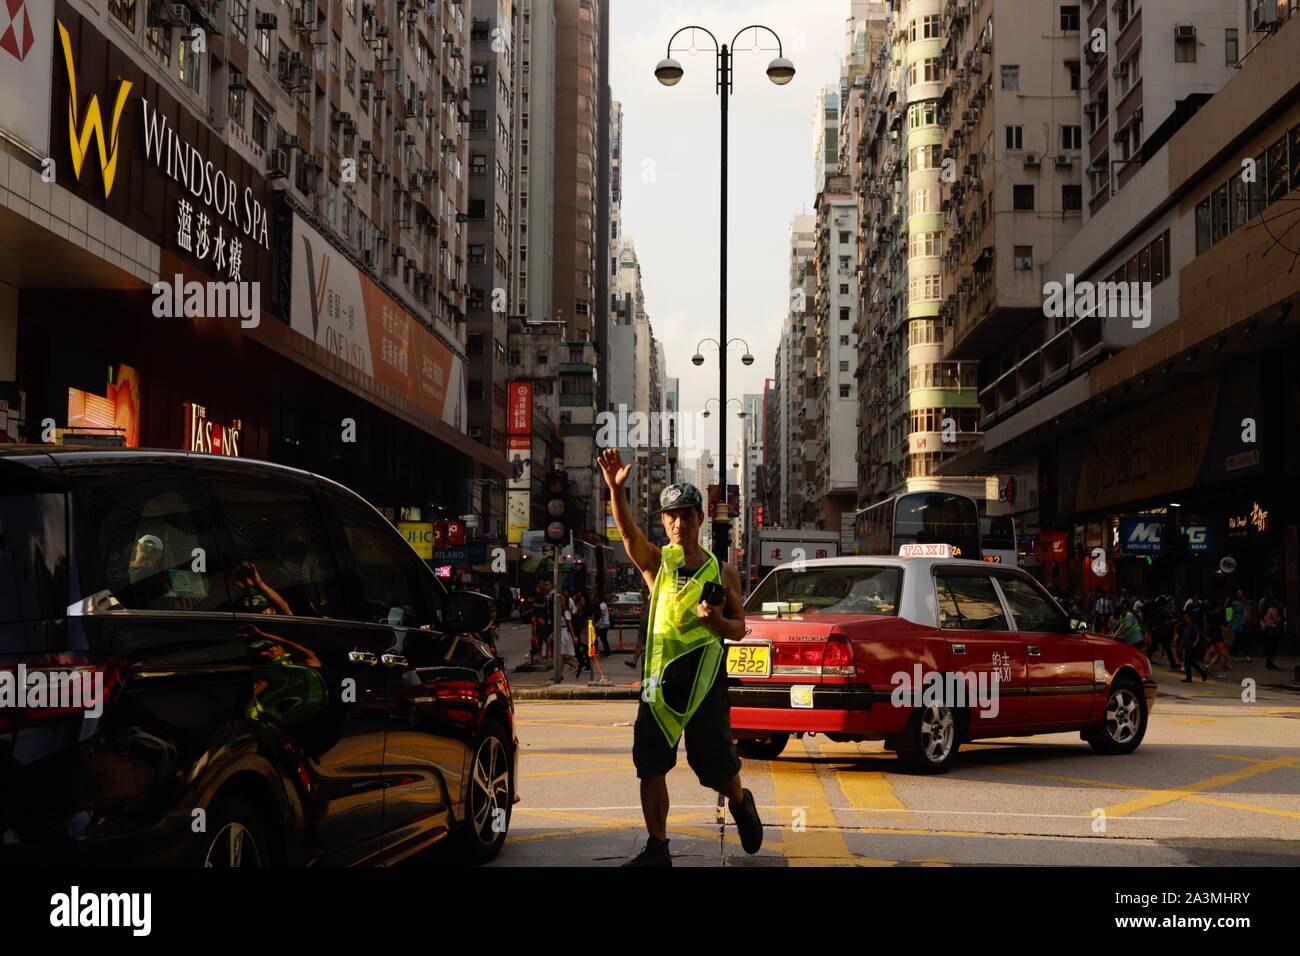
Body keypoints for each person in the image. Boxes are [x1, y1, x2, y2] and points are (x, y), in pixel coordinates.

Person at [598, 448, 763, 867]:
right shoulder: (658, 563)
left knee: (716, 770)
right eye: (670, 515)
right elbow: (626, 530)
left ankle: (741, 801)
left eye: (686, 513)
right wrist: (616, 491)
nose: (678, 522)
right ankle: (658, 847)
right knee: (651, 764)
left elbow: (740, 627)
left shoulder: (721, 572)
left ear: (700, 519)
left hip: (706, 682)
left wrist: (716, 624)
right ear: (664, 521)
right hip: (660, 682)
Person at [1180, 609, 1210, 682]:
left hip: (1192, 646)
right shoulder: (1186, 626)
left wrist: (1194, 644)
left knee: (1188, 663)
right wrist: (1181, 646)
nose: (1185, 619)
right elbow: (1184, 637)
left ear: (1190, 618)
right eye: (1184, 618)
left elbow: (1197, 635)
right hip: (1187, 645)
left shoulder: (1193, 625)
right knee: (1192, 663)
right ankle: (1202, 673)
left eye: (1187, 617)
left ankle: (1190, 677)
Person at [1260, 599, 1282, 671]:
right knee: (1273, 647)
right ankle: (1270, 663)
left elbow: (1264, 619)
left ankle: (1269, 662)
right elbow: (1276, 620)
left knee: (1270, 646)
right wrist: (1279, 619)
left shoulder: (1267, 610)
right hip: (1272, 628)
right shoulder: (1274, 610)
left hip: (1267, 628)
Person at [595, 592, 612, 657]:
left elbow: (602, 614)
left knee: (601, 638)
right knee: (603, 638)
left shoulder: (602, 604)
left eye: (596, 598)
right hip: (604, 624)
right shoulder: (603, 604)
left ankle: (606, 651)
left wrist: (597, 623)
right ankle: (607, 651)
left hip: (603, 624)